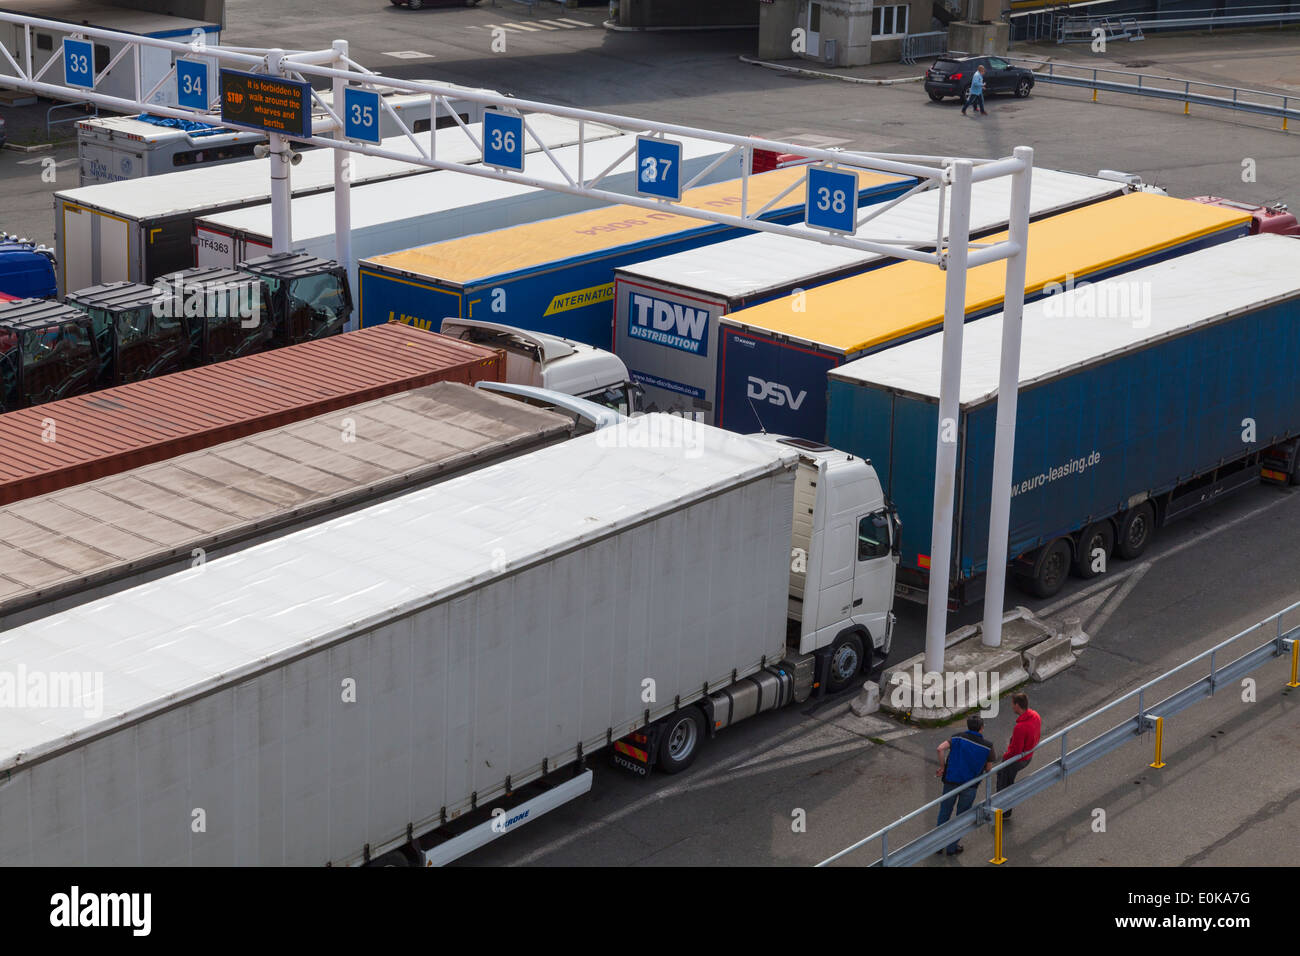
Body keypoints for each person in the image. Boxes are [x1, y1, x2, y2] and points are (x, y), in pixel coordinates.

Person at [935, 715, 995, 856]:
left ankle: (937, 845)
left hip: (951, 782)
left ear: (968, 726)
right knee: (961, 816)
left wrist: (942, 767)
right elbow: (989, 768)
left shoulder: (957, 738)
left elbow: (940, 749)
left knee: (944, 813)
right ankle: (952, 847)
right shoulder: (988, 746)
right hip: (970, 786)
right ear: (981, 728)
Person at [996, 693, 1042, 818]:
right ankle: (1005, 810)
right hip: (1028, 756)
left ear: (1017, 705)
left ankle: (1003, 811)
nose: (1012, 707)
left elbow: (1015, 752)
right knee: (1007, 780)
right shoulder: (1036, 716)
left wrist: (1005, 757)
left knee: (1004, 782)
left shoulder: (1020, 727)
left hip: (1017, 761)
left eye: (1012, 704)